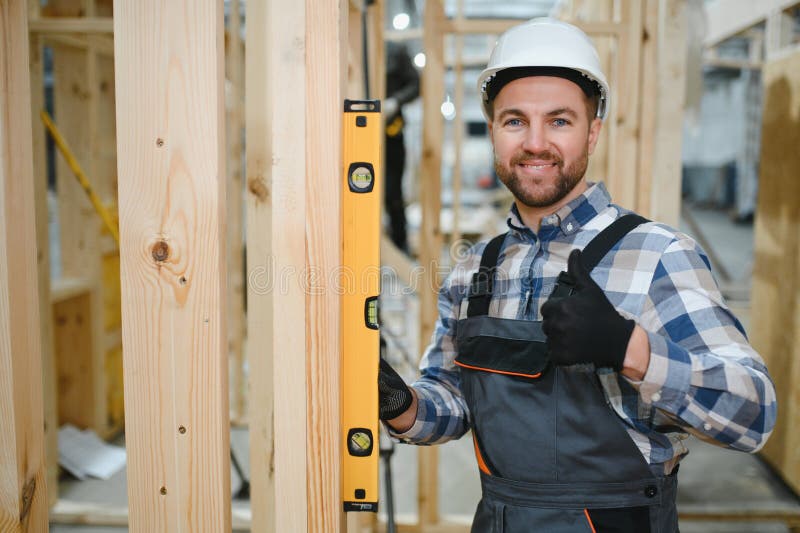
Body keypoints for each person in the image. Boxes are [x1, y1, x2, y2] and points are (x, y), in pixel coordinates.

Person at [378, 18, 776, 532]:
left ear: (593, 132)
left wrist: (632, 350)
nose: (535, 142)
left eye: (559, 121)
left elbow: (753, 415)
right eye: (515, 121)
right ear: (493, 130)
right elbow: (453, 403)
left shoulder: (657, 255)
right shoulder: (474, 270)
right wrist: (401, 403)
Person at [383, 41, 420, 253]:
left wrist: (395, 101)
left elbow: (416, 84)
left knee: (392, 193)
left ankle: (399, 245)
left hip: (392, 131)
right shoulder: (356, 48)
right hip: (359, 132)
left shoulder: (395, 51)